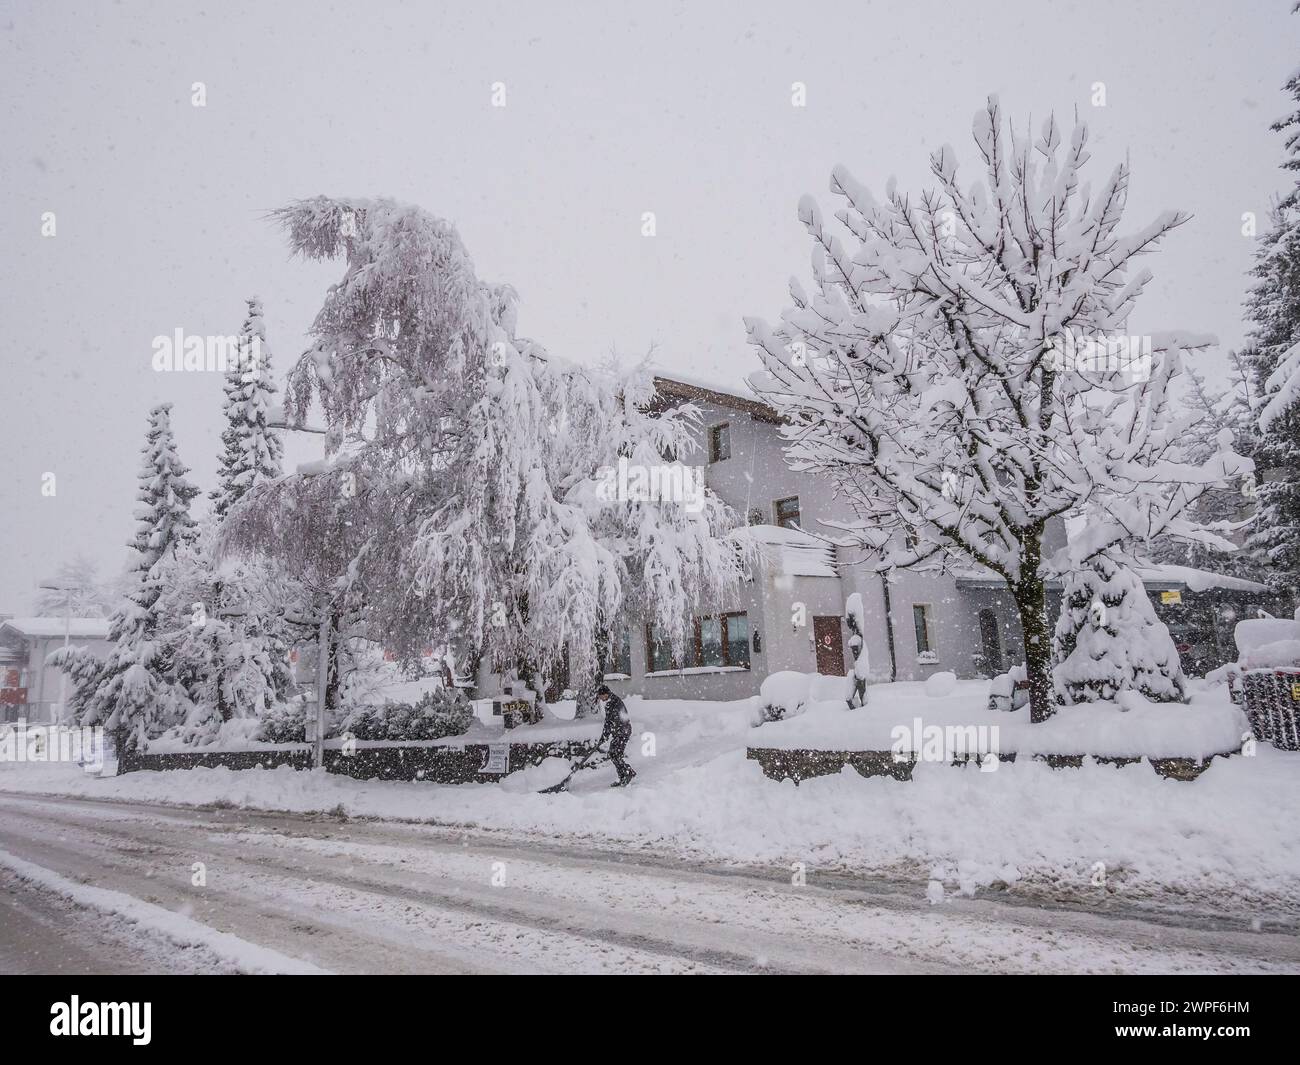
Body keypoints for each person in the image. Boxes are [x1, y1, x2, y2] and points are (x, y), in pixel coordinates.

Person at [595, 684, 636, 787]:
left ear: (606, 694)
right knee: (613, 754)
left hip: (622, 732)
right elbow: (608, 722)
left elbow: (611, 721)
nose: (600, 698)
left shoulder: (614, 703)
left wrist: (607, 734)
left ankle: (628, 773)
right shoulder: (610, 702)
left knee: (616, 754)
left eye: (601, 696)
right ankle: (622, 776)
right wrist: (604, 736)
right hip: (619, 732)